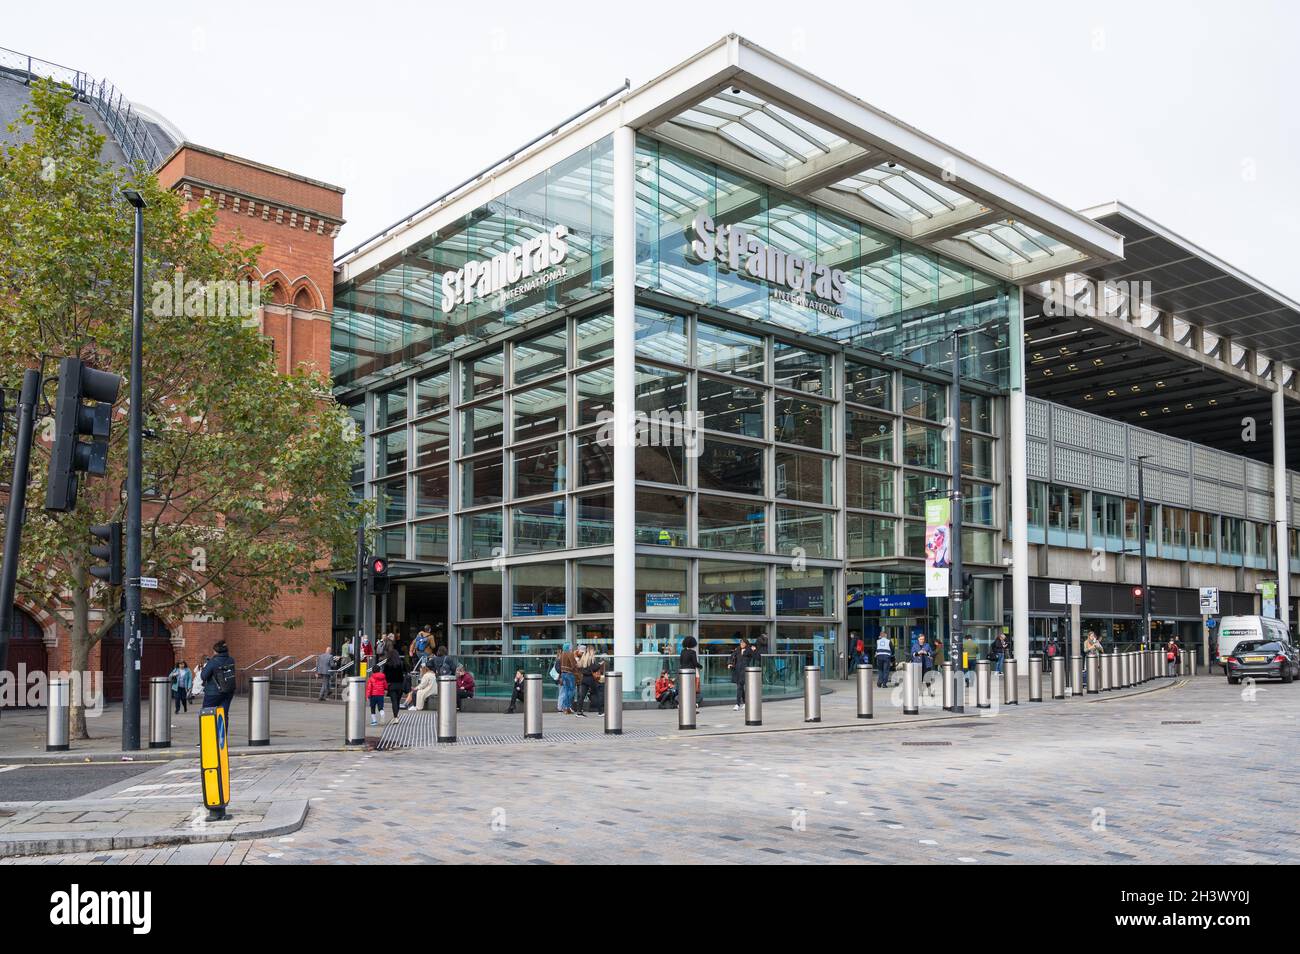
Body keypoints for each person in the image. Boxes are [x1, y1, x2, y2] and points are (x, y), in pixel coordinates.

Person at [201, 641, 237, 733]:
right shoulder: (231, 660)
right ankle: (222, 740)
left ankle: (208, 740)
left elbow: (203, 676)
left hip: (213, 692)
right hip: (228, 691)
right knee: (223, 714)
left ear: (216, 651)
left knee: (207, 714)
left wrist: (205, 667)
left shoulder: (213, 662)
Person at [728, 637, 759, 711]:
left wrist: (755, 650)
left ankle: (737, 704)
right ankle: (745, 703)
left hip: (744, 670)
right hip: (737, 670)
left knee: (739, 686)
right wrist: (729, 663)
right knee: (740, 687)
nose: (741, 644)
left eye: (743, 643)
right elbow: (731, 657)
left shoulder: (749, 650)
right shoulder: (737, 649)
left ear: (746, 643)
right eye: (740, 643)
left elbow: (757, 657)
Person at [382, 649, 406, 719]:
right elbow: (406, 672)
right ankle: (396, 715)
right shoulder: (401, 663)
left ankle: (395, 717)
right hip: (400, 685)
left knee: (394, 701)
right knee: (398, 701)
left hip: (391, 685)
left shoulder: (387, 664)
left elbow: (384, 675)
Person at [679, 636, 702, 704]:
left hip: (683, 673)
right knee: (691, 689)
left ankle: (684, 704)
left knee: (685, 689)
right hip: (691, 673)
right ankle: (691, 705)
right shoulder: (693, 652)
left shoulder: (682, 651)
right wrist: (701, 666)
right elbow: (695, 663)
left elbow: (681, 661)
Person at [556, 643, 578, 714]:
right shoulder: (570, 654)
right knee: (572, 690)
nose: (571, 648)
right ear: (569, 648)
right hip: (569, 674)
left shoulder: (562, 655)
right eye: (571, 647)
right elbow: (574, 664)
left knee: (565, 690)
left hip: (563, 674)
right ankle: (566, 706)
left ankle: (566, 708)